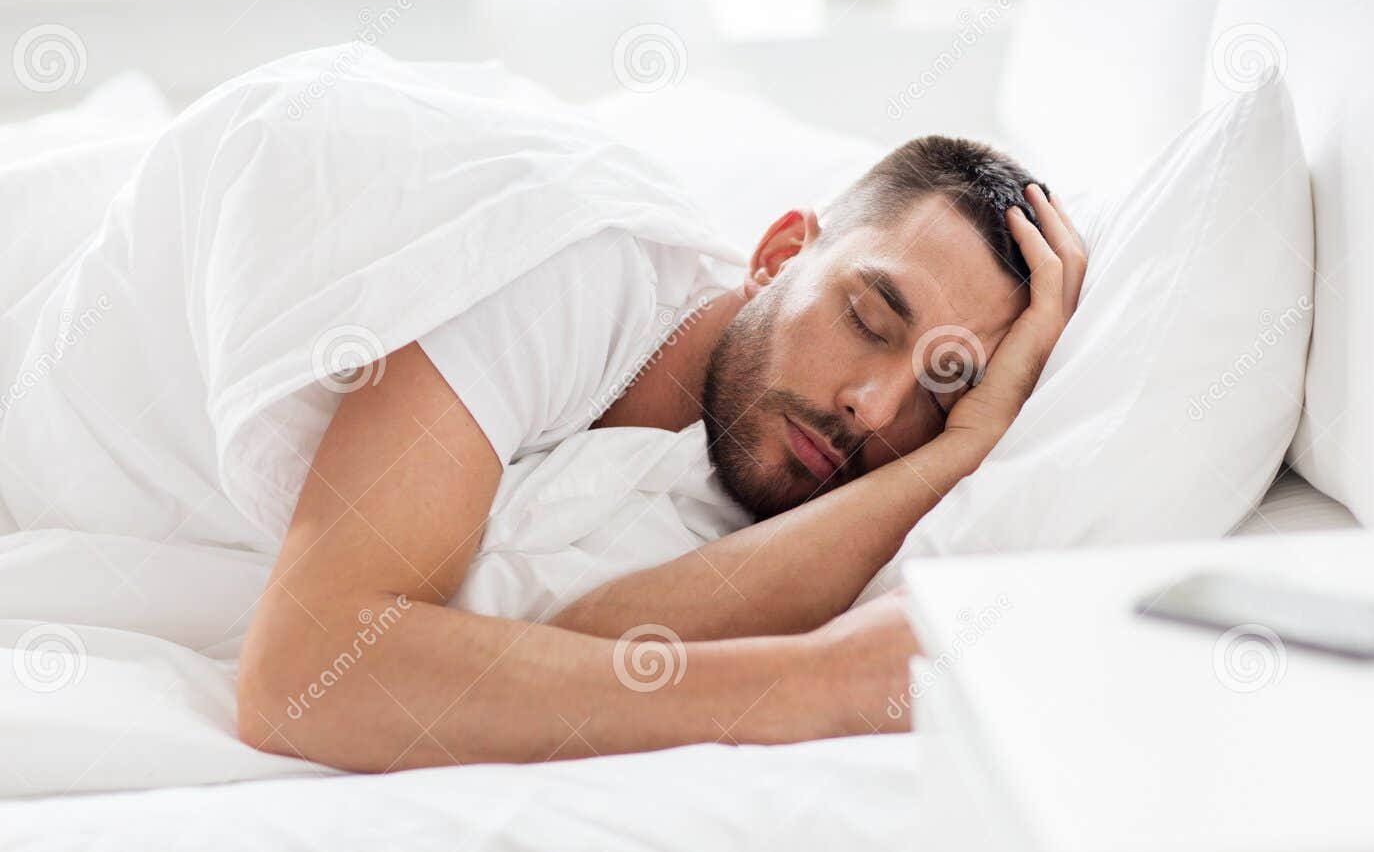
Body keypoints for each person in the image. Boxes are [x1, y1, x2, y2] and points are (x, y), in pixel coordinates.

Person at [236, 135, 1087, 771]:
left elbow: (565, 653)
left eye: (941, 391)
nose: (875, 406)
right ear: (777, 258)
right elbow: (302, 674)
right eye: (868, 319)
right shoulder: (571, 272)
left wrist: (959, 451)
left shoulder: (778, 490)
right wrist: (809, 683)